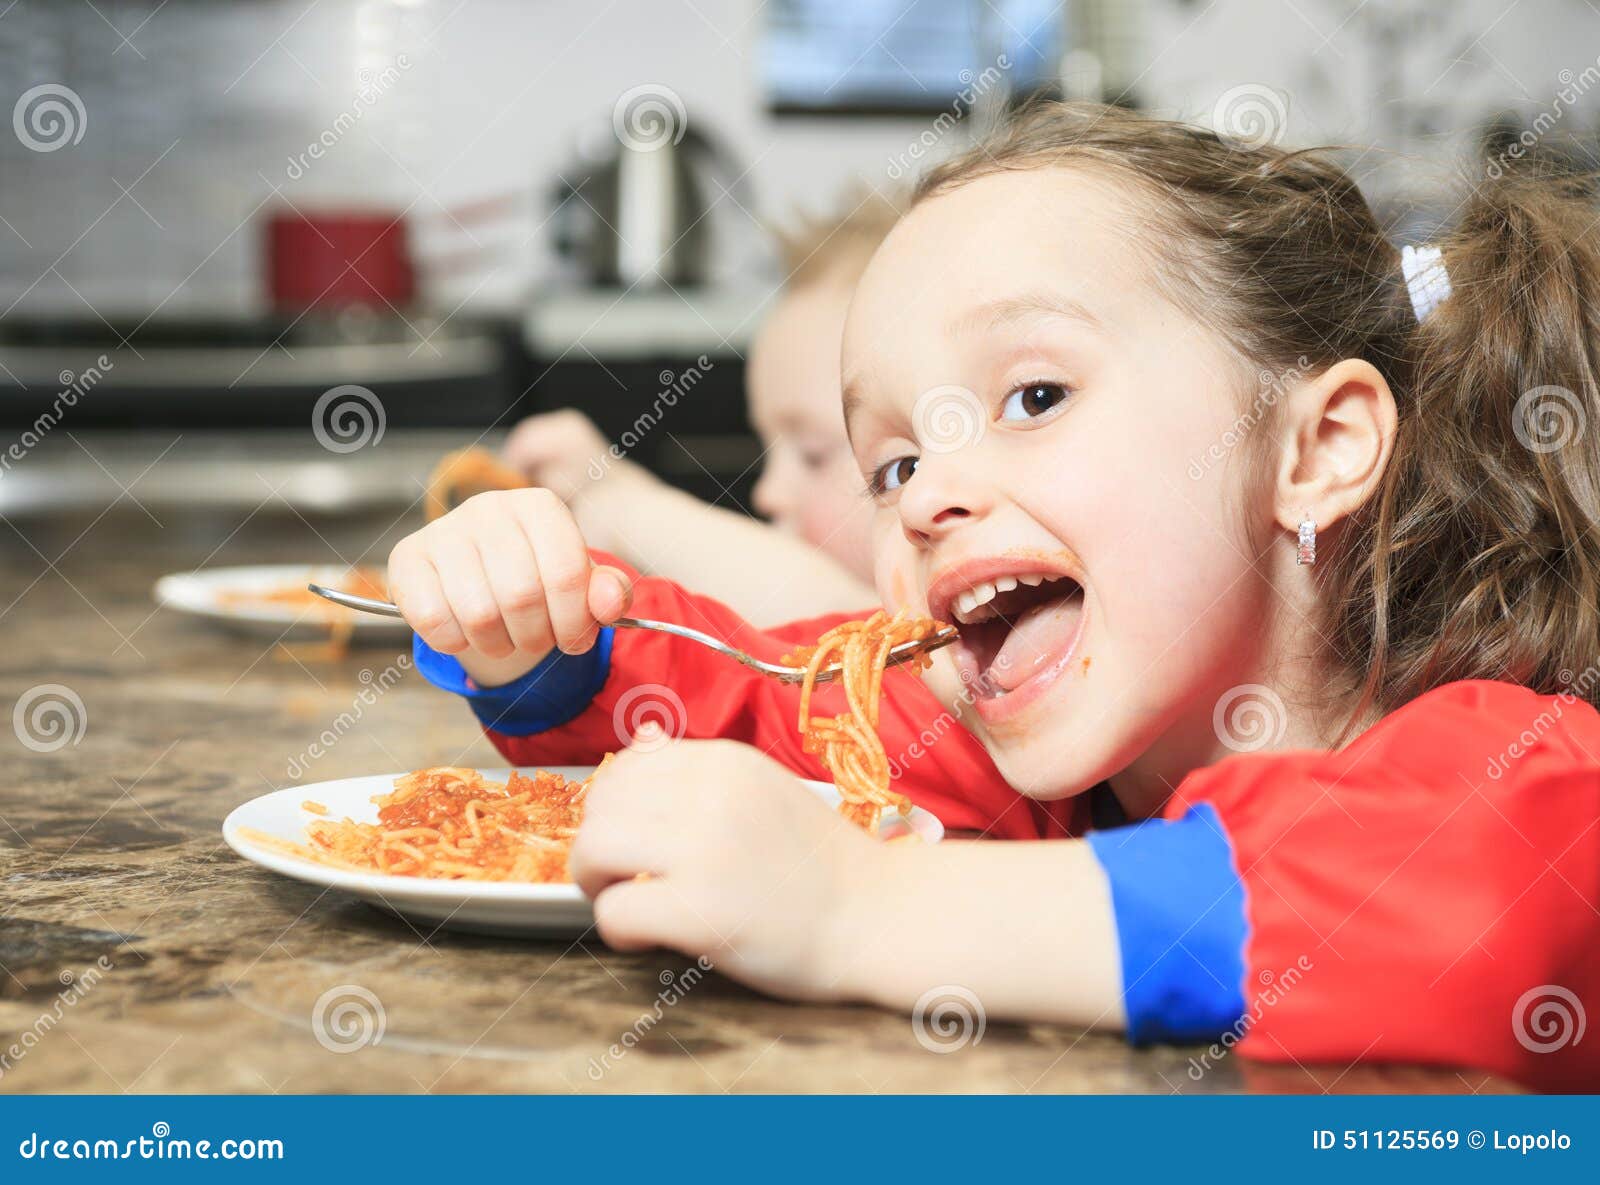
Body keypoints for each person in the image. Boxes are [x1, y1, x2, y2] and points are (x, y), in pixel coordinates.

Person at [386, 103, 1600, 1090]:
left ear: (1317, 448)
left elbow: (1473, 898)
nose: (925, 499)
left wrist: (862, 909)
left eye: (1032, 398)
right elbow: (762, 694)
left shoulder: (1522, 761)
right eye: (894, 463)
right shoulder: (1017, 753)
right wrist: (544, 635)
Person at [500, 195, 900, 625]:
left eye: (812, 453)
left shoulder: (941, 641)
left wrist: (618, 501)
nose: (768, 492)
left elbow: (841, 616)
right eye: (767, 449)